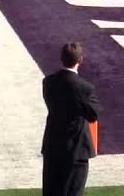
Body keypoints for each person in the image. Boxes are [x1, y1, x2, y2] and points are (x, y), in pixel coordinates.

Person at [42, 42, 100, 196]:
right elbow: (93, 115)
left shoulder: (48, 82)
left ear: (61, 59)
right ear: (80, 59)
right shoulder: (85, 88)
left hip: (52, 145)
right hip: (75, 149)